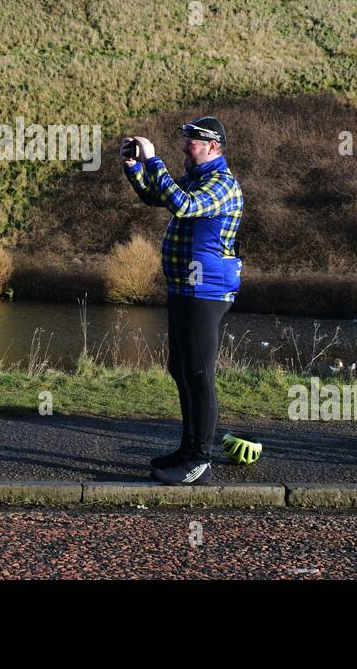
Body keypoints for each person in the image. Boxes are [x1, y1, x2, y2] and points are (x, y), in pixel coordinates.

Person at [121, 117, 243, 485]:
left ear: (213, 146)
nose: (186, 145)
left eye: (192, 141)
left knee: (199, 374)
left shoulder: (222, 184)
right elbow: (157, 196)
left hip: (206, 290)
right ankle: (188, 449)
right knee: (181, 369)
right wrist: (135, 168)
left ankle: (200, 460)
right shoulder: (198, 177)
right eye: (186, 139)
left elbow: (183, 206)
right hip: (186, 289)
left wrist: (154, 160)